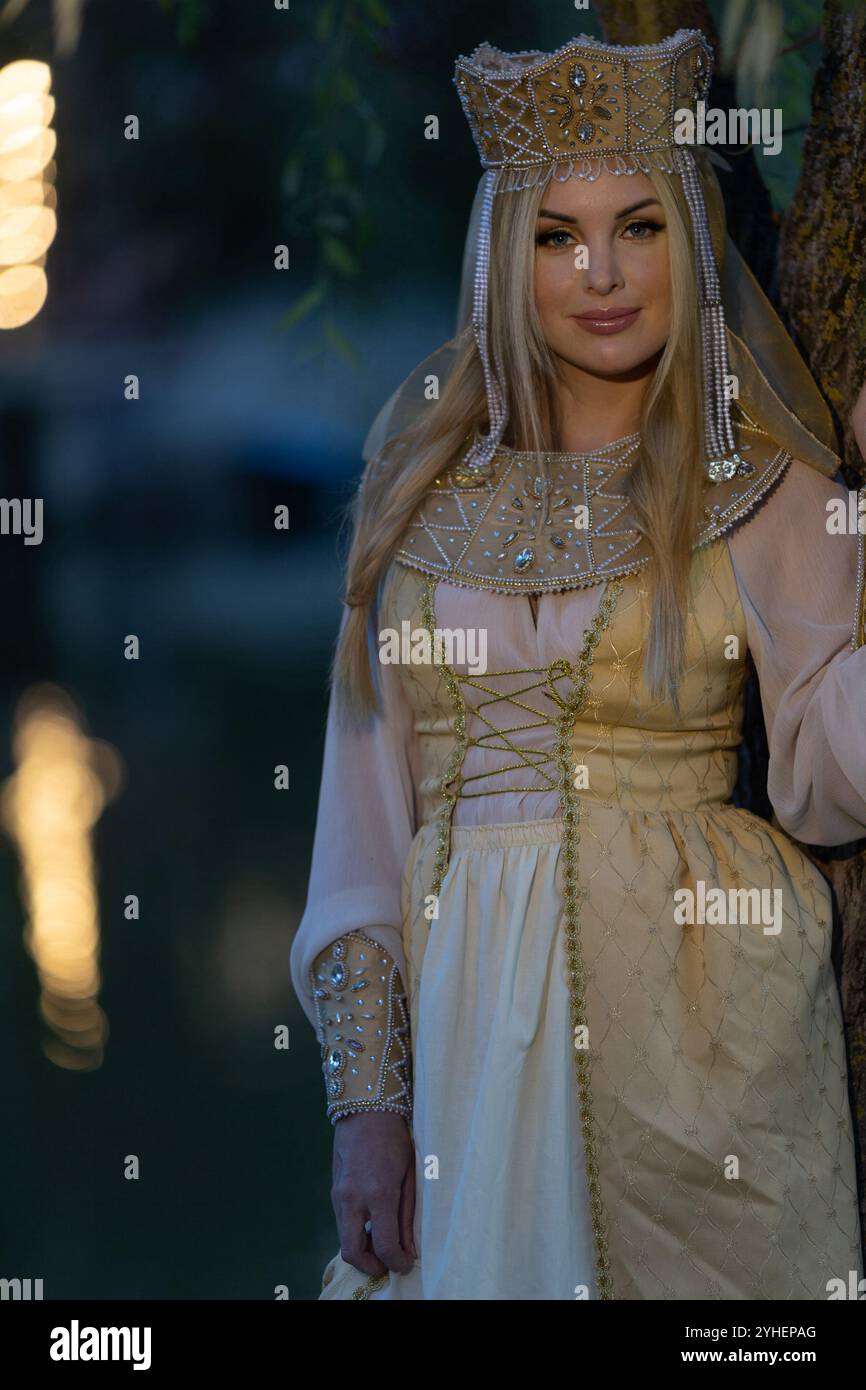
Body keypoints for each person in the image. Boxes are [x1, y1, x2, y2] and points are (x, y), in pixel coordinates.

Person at [290, 27, 866, 1300]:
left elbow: (829, 781)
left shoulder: (765, 488)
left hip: (694, 1035)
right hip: (457, 1049)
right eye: (555, 236)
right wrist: (365, 1109)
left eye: (639, 227)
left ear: (687, 237)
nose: (601, 272)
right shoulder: (416, 495)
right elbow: (359, 843)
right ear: (504, 253)